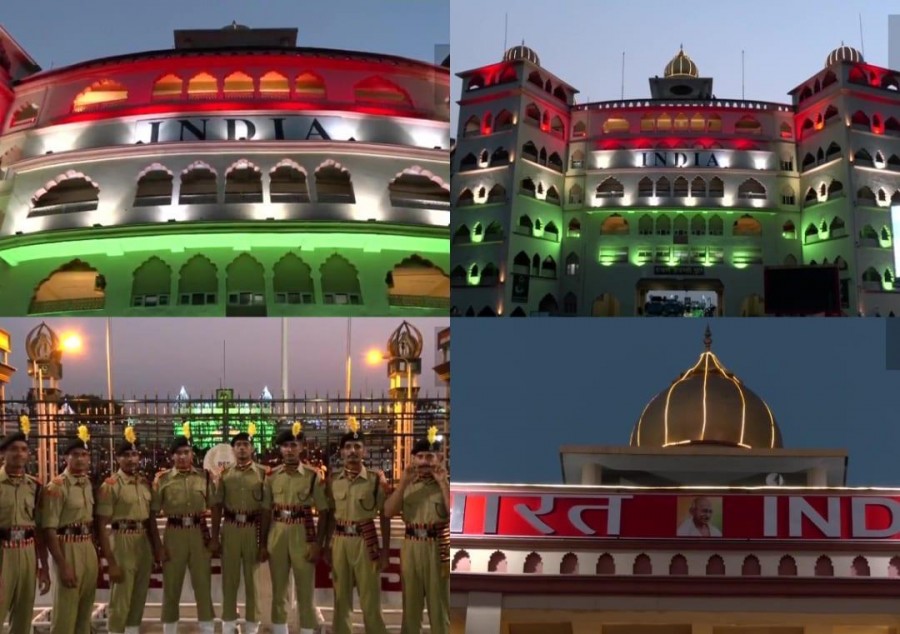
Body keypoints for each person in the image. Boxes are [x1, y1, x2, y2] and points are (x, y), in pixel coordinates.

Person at [263, 423, 332, 634]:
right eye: (285, 446)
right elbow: (266, 511)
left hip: (303, 535)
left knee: (305, 591)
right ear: (280, 449)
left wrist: (319, 544)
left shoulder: (312, 476)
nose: (289, 450)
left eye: (293, 445)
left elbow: (324, 512)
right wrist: (263, 543)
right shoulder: (272, 476)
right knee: (279, 591)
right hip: (278, 533)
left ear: (301, 447)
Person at [326, 419, 390, 634]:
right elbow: (329, 515)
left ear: (365, 451)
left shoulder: (374, 480)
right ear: (341, 452)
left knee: (370, 596)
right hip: (340, 540)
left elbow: (385, 516)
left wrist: (385, 551)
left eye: (357, 447)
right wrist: (327, 544)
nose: (352, 451)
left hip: (366, 539)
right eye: (348, 448)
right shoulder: (333, 480)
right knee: (341, 597)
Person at [385, 427, 450, 634]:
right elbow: (388, 511)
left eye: (429, 456)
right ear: (413, 459)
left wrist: (443, 484)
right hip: (411, 545)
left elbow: (454, 514)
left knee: (438, 608)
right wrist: (403, 483)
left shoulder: (446, 484)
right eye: (420, 456)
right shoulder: (407, 485)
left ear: (439, 458)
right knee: (410, 607)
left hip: (437, 547)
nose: (424, 462)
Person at [96, 427, 161, 634]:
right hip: (122, 541)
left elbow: (150, 520)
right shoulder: (111, 485)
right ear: (118, 458)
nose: (131, 459)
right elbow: (101, 525)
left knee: (139, 595)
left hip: (143, 542)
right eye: (126, 455)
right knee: (121, 598)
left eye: (134, 454)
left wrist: (156, 547)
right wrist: (111, 562)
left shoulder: (144, 483)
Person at [151, 432, 215, 634]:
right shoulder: (162, 479)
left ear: (192, 454)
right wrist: (158, 546)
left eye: (186, 452)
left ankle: (207, 629)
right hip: (174, 534)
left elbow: (215, 507)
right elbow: (151, 515)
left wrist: (214, 538)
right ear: (172, 456)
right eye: (177, 453)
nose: (182, 456)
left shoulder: (204, 477)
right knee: (171, 586)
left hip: (198, 533)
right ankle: (169, 630)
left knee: (203, 585)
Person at [210, 429, 269, 634]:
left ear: (252, 448)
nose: (242, 448)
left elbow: (266, 510)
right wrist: (215, 537)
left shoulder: (263, 473)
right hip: (231, 528)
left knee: (253, 582)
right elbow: (217, 506)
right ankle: (228, 624)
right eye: (238, 445)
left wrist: (264, 543)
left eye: (246, 444)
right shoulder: (225, 475)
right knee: (230, 580)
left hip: (253, 529)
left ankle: (252, 626)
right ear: (233, 450)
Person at [42, 425, 99, 634]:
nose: (81, 459)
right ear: (66, 458)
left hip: (87, 546)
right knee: (65, 614)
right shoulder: (57, 486)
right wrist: (62, 564)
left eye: (84, 455)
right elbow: (49, 529)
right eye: (75, 455)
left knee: (85, 611)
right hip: (67, 549)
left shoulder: (87, 484)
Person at [0, 418, 51, 634]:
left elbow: (38, 529)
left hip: (27, 552)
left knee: (23, 614)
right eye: (13, 449)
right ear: (3, 454)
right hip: (3, 554)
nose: (19, 454)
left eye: (23, 449)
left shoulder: (35, 486)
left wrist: (44, 567)